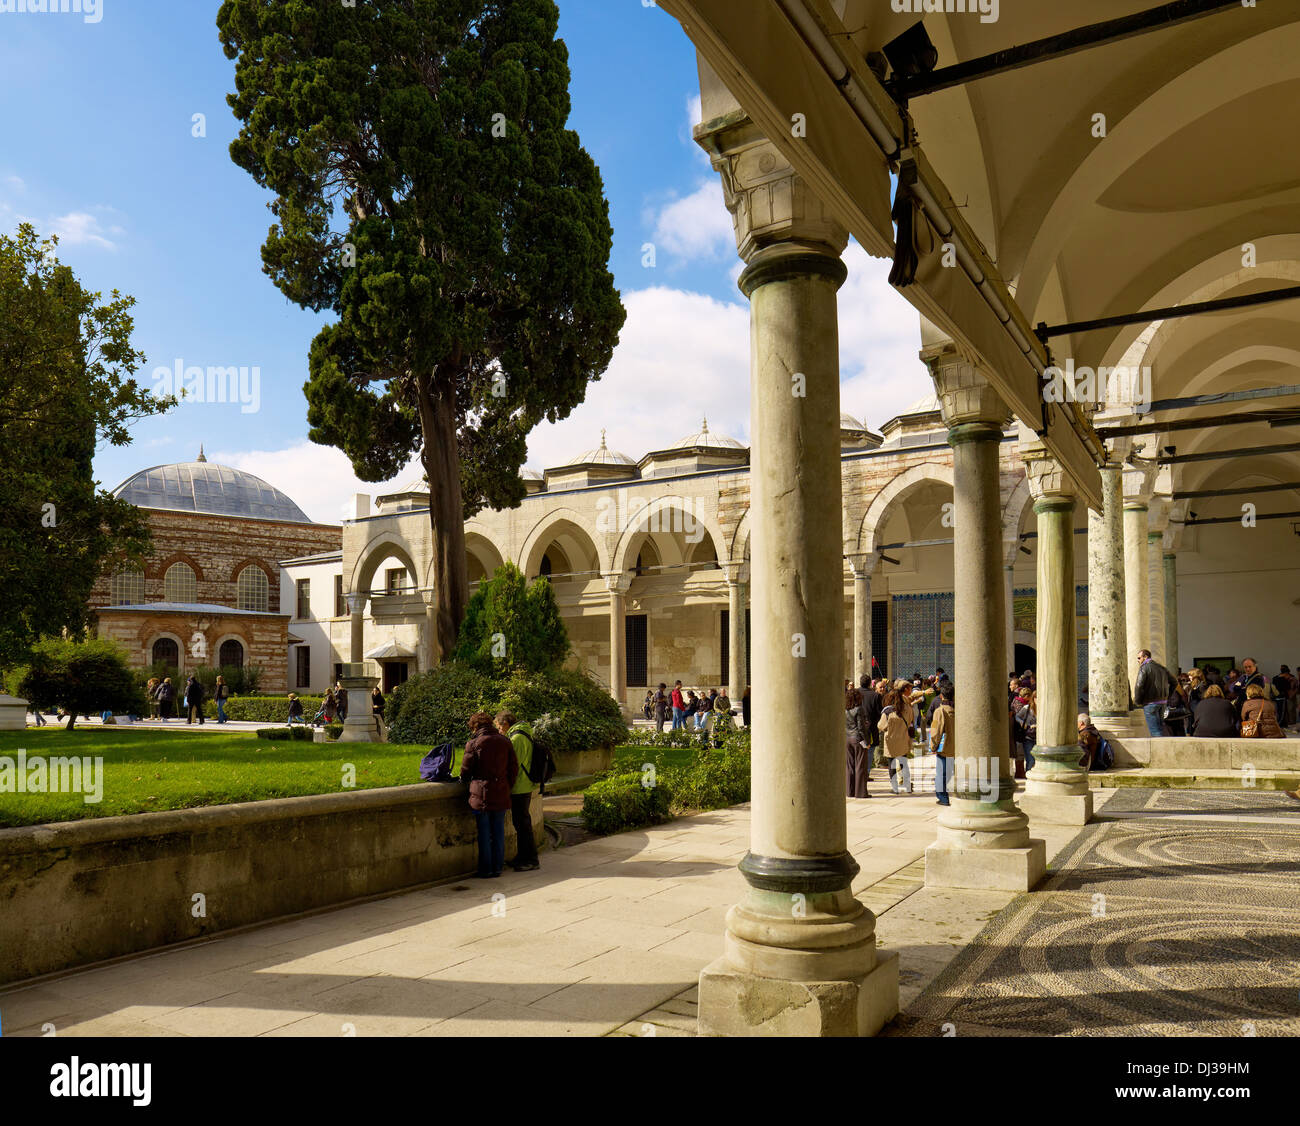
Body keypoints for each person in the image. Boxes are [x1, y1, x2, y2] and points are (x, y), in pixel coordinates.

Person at [461, 710, 518, 878]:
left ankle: (486, 869)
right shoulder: (505, 741)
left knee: (484, 833)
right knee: (498, 831)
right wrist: (507, 785)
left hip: (481, 794)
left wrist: (465, 780)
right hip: (500, 791)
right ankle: (497, 868)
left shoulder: (473, 744)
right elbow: (513, 768)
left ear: (475, 727)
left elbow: (466, 770)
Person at [497, 710, 539, 871]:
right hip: (523, 784)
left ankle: (530, 859)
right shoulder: (520, 734)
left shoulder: (516, 738)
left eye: (499, 728)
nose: (500, 732)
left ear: (505, 724)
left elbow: (513, 763)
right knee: (521, 823)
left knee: (522, 824)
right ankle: (522, 857)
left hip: (520, 786)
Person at [1133, 649, 1175, 737]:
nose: (1138, 660)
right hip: (1162, 702)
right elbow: (1174, 682)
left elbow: (1139, 685)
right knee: (1160, 728)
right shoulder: (1162, 668)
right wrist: (1167, 696)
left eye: (1139, 658)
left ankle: (1160, 750)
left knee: (1155, 731)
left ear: (1145, 657)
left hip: (1150, 703)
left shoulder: (1144, 668)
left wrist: (1137, 701)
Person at [879, 689, 913, 794]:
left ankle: (895, 788)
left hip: (891, 741)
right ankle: (907, 785)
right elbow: (911, 720)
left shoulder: (887, 711)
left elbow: (881, 726)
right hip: (903, 738)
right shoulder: (907, 708)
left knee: (892, 764)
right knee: (903, 763)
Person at [930, 685, 955, 805]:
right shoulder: (956, 711)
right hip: (954, 746)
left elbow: (935, 731)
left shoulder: (939, 712)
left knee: (941, 773)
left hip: (943, 747)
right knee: (948, 772)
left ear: (941, 696)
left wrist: (933, 745)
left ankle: (943, 797)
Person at [845, 687, 871, 798]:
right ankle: (860, 792)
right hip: (858, 739)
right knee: (860, 765)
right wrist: (866, 741)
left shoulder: (845, 709)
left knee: (849, 766)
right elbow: (861, 727)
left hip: (847, 739)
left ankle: (849, 791)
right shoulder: (859, 709)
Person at [859, 676, 883, 770]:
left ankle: (859, 773)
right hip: (871, 729)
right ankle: (866, 772)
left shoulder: (854, 693)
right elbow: (879, 713)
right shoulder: (875, 695)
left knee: (859, 752)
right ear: (870, 683)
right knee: (869, 751)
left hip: (856, 729)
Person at [1016, 690, 1038, 771]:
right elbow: (1017, 717)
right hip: (1028, 736)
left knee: (1037, 760)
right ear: (1033, 698)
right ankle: (1028, 776)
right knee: (1030, 760)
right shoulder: (1027, 708)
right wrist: (1022, 723)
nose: (1037, 700)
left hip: (1039, 737)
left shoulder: (1044, 709)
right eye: (1036, 697)